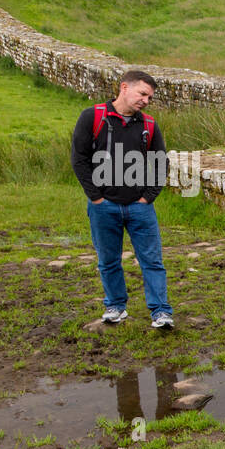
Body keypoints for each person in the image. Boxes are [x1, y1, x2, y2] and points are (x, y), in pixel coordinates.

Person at [70, 69, 175, 329]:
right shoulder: (93, 117)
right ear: (124, 88)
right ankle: (116, 306)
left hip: (140, 208)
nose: (145, 101)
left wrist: (148, 196)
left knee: (152, 260)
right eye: (142, 94)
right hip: (104, 206)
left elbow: (160, 162)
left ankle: (161, 312)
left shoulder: (149, 125)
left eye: (149, 98)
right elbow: (79, 159)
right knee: (108, 260)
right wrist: (95, 197)